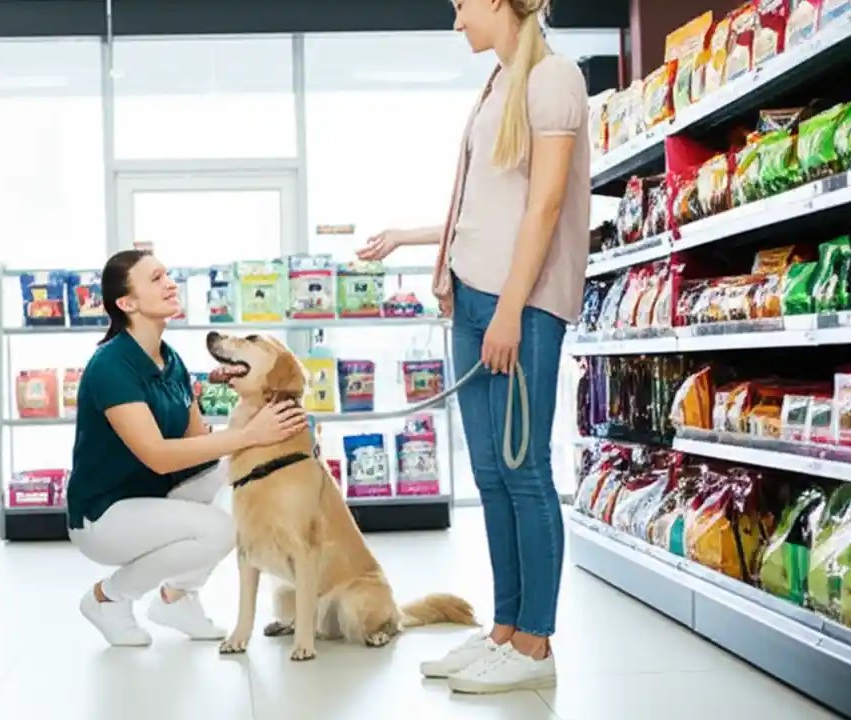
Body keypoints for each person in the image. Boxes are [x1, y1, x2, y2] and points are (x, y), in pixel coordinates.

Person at [360, 0, 588, 694]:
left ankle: (535, 643)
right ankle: (504, 630)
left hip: (518, 304)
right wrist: (413, 235)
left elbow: (545, 206)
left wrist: (512, 310)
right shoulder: (497, 82)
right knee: (490, 472)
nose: (456, 20)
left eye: (462, 5)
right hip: (474, 297)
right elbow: (491, 209)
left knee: (524, 471)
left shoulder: (554, 78)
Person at [68, 249, 309, 647]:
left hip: (153, 497)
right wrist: (250, 435)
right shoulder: (111, 366)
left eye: (167, 275)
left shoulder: (170, 360)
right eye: (155, 278)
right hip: (104, 516)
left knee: (241, 471)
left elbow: (201, 447)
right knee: (220, 529)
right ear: (127, 304)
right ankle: (107, 598)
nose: (169, 283)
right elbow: (158, 457)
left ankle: (176, 597)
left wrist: (244, 394)